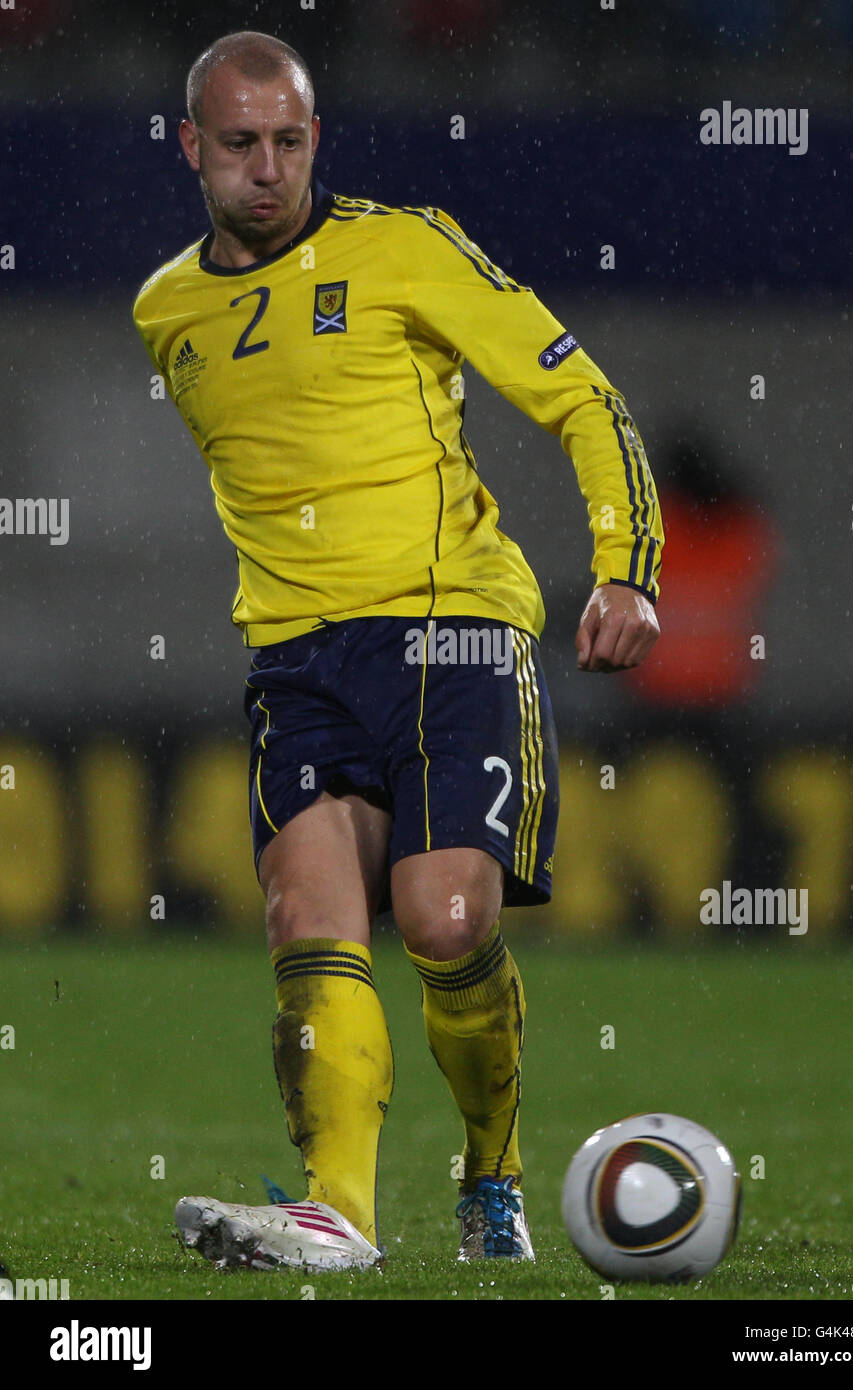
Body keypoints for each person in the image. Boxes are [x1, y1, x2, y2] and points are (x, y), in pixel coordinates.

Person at [132, 29, 663, 1273]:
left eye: (291, 141)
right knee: (301, 914)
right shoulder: (166, 311)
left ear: (315, 137)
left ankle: (491, 1174)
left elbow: (582, 397)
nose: (268, 169)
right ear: (190, 147)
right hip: (295, 658)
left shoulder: (404, 246)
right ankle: (339, 1214)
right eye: (240, 144)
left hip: (450, 627)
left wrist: (625, 565)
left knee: (442, 916)